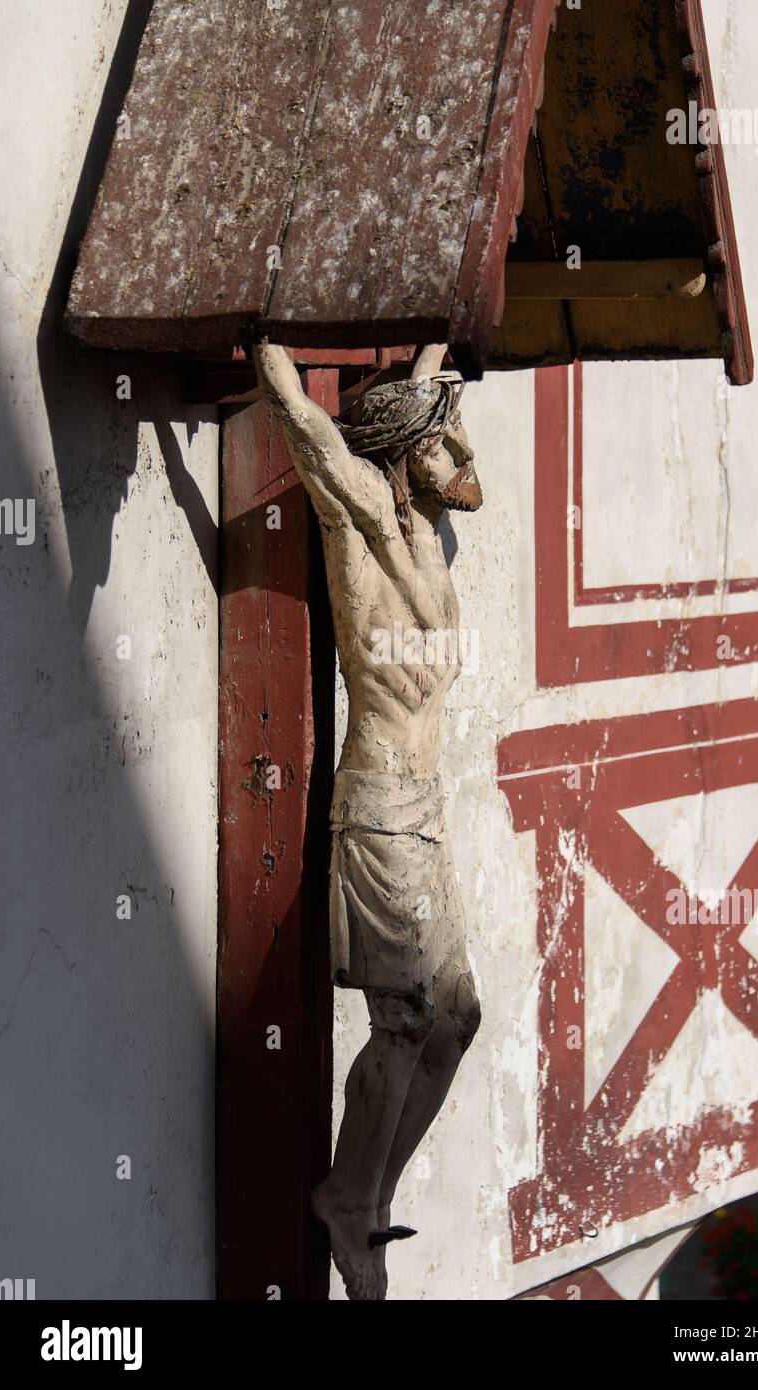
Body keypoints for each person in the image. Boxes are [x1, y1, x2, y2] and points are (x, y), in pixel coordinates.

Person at [253, 341, 483, 1300]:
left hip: (423, 811)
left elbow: (456, 475)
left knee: (459, 1018)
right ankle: (347, 1198)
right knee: (407, 1018)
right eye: (440, 443)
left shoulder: (424, 537)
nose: (462, 458)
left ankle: (367, 1190)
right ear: (401, 453)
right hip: (382, 812)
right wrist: (268, 341)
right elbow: (305, 424)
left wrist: (431, 345)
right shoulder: (356, 519)